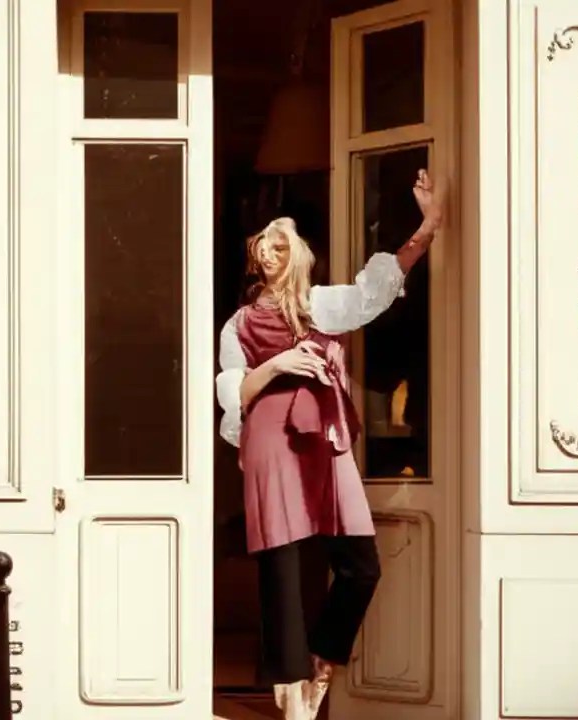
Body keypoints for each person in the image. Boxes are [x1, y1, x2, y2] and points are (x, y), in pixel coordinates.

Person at [214, 169, 448, 719]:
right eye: (264, 247)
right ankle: (292, 694)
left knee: (360, 563)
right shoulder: (239, 324)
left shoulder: (325, 305)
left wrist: (430, 223)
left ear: (298, 256)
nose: (271, 253)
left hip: (327, 437)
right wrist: (277, 363)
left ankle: (322, 660)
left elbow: (378, 290)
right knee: (282, 564)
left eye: (280, 245)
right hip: (271, 436)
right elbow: (235, 396)